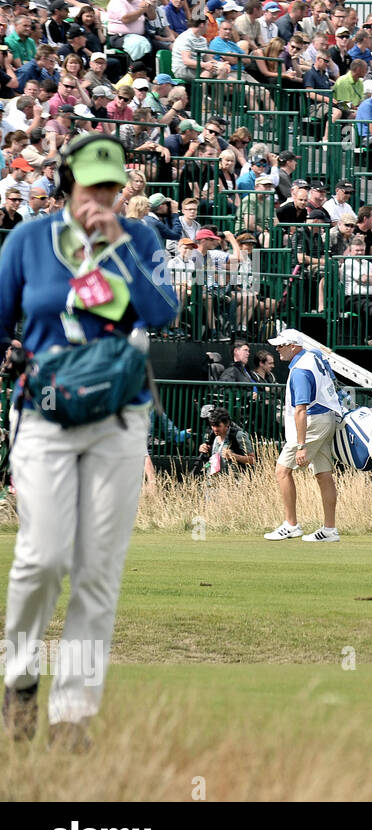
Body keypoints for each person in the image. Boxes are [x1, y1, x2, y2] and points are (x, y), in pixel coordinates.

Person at [0, 131, 178, 750]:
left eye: (111, 186)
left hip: (119, 418)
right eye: (90, 186)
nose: (101, 198)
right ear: (65, 186)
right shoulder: (29, 241)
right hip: (45, 416)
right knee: (43, 557)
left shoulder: (141, 239)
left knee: (97, 571)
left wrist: (120, 249)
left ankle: (72, 715)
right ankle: (18, 678)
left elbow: (161, 313)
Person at [263, 328, 344, 543]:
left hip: (313, 423)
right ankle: (329, 529)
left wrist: (301, 445)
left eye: (281, 345)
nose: (277, 349)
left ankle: (291, 525)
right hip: (327, 417)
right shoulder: (313, 357)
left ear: (294, 346)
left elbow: (301, 410)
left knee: (282, 471)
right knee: (323, 473)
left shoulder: (300, 370)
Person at [196, 406, 255, 473]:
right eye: (213, 425)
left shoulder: (238, 435)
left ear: (227, 424)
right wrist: (204, 449)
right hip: (213, 478)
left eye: (218, 426)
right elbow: (211, 457)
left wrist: (234, 456)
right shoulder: (212, 435)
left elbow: (252, 460)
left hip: (232, 480)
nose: (215, 429)